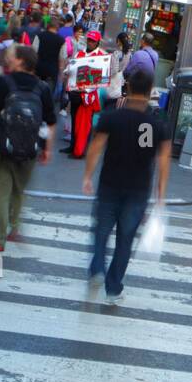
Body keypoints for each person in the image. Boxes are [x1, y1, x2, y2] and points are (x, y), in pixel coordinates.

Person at [80, 68, 171, 302]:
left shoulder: (111, 117)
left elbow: (95, 148)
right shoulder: (156, 125)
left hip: (110, 184)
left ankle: (97, 269)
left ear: (128, 88)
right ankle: (113, 287)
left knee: (101, 232)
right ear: (151, 91)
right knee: (125, 239)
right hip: (138, 190)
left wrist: (88, 176)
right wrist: (160, 194)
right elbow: (163, 162)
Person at [0, 44, 56, 251]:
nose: (6, 57)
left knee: (0, 192)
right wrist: (47, 148)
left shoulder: (2, 82)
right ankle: (14, 227)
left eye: (11, 55)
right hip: (30, 148)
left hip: (0, 146)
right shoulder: (42, 88)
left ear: (20, 60)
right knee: (19, 190)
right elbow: (49, 122)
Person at [62, 29, 107, 158]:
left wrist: (86, 89)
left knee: (84, 124)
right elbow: (71, 67)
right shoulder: (80, 53)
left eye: (93, 40)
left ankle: (80, 149)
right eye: (89, 40)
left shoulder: (100, 57)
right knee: (74, 119)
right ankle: (73, 146)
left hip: (87, 96)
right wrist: (66, 71)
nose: (90, 42)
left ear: (97, 42)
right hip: (75, 93)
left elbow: (100, 79)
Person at [34, 15, 65, 88]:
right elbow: (62, 58)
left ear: (47, 25)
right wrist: (61, 74)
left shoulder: (39, 36)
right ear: (57, 27)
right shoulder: (61, 40)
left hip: (38, 69)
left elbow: (33, 52)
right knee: (48, 94)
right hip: (52, 71)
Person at [107, 31, 132, 101]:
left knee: (109, 98)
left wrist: (107, 75)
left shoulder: (117, 53)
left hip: (113, 79)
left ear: (119, 41)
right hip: (120, 78)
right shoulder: (129, 54)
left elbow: (114, 70)